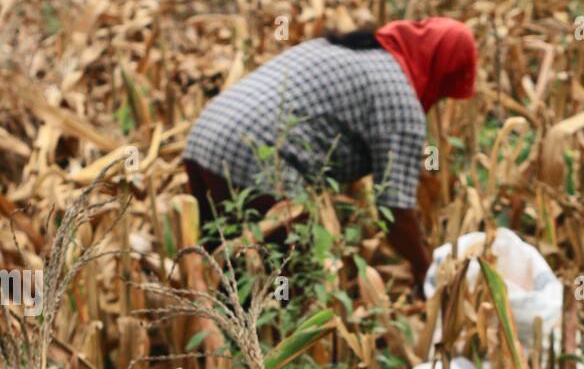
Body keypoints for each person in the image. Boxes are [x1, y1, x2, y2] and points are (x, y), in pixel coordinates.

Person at [183, 17, 477, 286]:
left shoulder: (343, 50)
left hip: (204, 140)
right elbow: (394, 210)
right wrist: (425, 272)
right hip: (255, 157)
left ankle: (216, 334)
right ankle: (267, 339)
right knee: (293, 280)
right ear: (439, 71)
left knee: (219, 268)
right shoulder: (400, 101)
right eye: (443, 93)